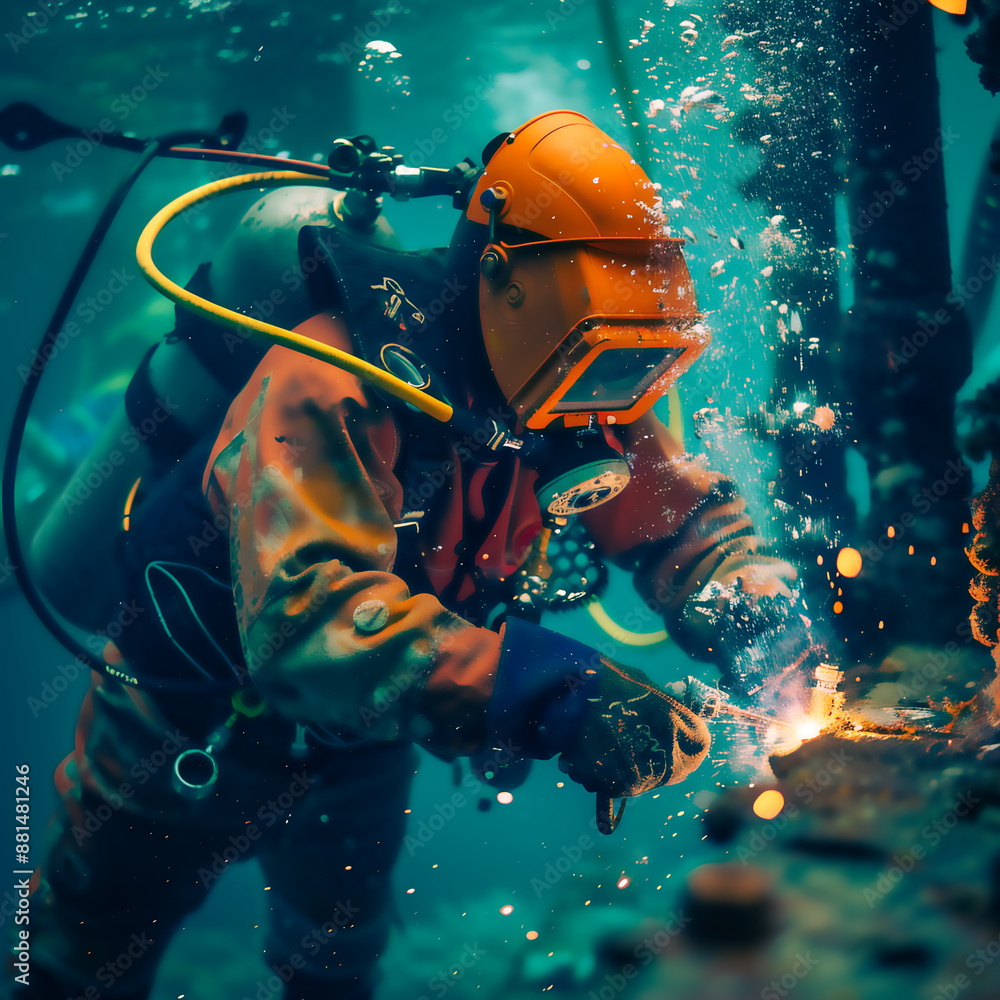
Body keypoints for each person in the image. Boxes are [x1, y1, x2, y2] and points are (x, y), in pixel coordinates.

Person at [16, 110, 809, 1000]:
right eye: (605, 368)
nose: (609, 414)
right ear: (504, 282)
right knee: (83, 956)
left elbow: (673, 517)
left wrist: (744, 602)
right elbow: (309, 618)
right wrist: (546, 691)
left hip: (365, 735)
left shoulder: (588, 368)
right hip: (177, 719)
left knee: (335, 966)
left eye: (639, 371)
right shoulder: (330, 378)